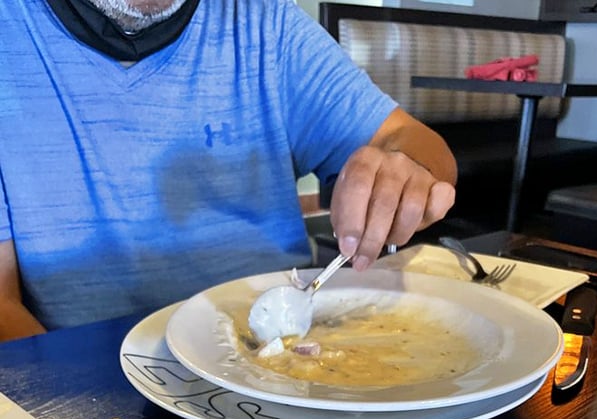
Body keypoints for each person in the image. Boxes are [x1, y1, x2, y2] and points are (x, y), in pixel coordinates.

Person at [0, 0, 456, 342]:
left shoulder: (263, 19)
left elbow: (408, 140)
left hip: (288, 361)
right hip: (91, 384)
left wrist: (405, 170)